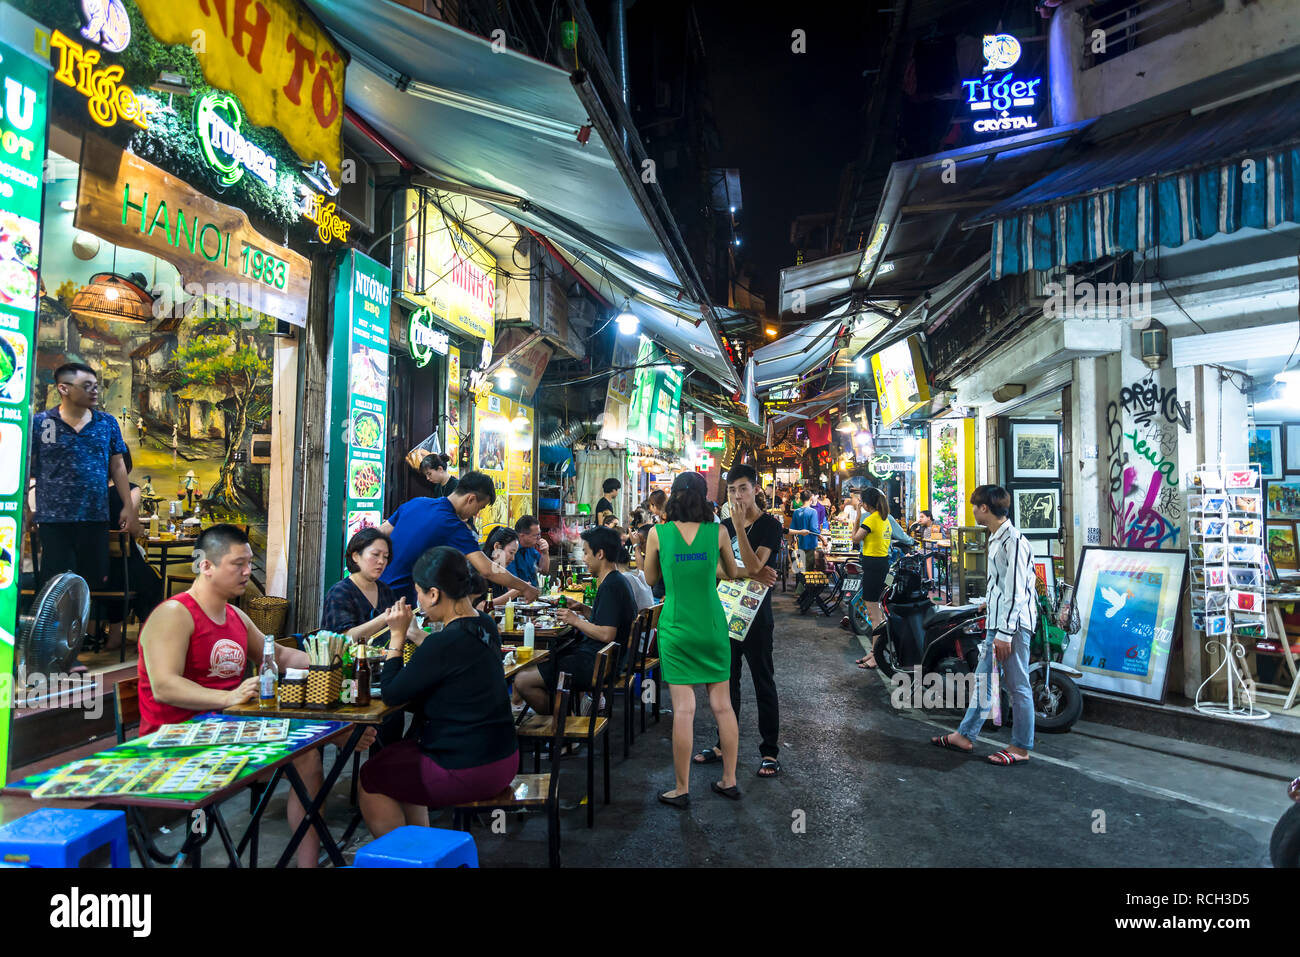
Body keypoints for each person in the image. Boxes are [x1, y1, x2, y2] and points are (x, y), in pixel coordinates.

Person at [136, 525, 359, 868]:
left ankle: (307, 864)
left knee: (311, 751)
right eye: (237, 564)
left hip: (228, 733)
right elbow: (165, 684)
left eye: (248, 563)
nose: (246, 572)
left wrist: (332, 658)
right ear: (205, 566)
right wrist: (226, 698)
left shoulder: (236, 616)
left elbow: (281, 658)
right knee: (307, 756)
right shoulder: (174, 614)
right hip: (177, 741)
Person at [360, 547, 519, 837]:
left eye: (419, 592)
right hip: (505, 756)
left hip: (469, 767)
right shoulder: (485, 625)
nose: (418, 599)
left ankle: (406, 857)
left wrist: (397, 636)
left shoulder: (443, 642)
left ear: (434, 594)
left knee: (371, 777)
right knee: (397, 761)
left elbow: (393, 694)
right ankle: (426, 849)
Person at [641, 471, 776, 807]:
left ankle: (682, 789)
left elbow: (650, 577)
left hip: (676, 628)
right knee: (723, 705)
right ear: (705, 498)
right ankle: (729, 780)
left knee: (684, 710)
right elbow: (731, 572)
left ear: (673, 497)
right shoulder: (718, 532)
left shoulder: (658, 534)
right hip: (714, 627)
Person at [931, 485, 1038, 766]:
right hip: (997, 622)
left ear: (985, 508)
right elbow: (1002, 586)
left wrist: (1005, 633)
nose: (973, 510)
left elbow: (1017, 592)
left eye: (974, 506)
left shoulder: (1012, 541)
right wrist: (988, 604)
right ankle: (965, 735)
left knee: (1018, 687)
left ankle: (1020, 747)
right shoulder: (997, 538)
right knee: (982, 681)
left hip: (1011, 628)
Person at [695, 464, 785, 778]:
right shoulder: (722, 526)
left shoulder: (770, 526)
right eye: (732, 490)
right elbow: (716, 570)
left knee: (763, 683)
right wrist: (752, 571)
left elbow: (750, 560)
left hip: (757, 619)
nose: (737, 495)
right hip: (725, 616)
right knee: (726, 684)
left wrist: (739, 529)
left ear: (756, 489)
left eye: (743, 488)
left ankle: (770, 751)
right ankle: (723, 744)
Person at [30, 363, 143, 592]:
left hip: (95, 519)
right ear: (64, 389)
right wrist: (25, 507)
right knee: (57, 588)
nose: (94, 391)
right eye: (86, 386)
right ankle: (56, 629)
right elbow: (28, 468)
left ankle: (86, 629)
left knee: (91, 586)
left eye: (95, 386)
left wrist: (128, 507)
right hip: (55, 521)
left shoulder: (107, 423)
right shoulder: (41, 423)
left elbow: (118, 465)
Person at [513, 526, 637, 714]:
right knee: (549, 660)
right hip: (603, 660)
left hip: (596, 665)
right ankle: (567, 715)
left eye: (586, 553)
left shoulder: (611, 586)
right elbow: (607, 620)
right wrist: (583, 609)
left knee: (522, 680)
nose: (584, 559)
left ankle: (563, 727)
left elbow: (607, 633)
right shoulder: (616, 581)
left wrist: (575, 620)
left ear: (600, 554)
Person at [378, 470, 539, 607]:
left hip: (376, 588)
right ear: (470, 499)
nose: (476, 513)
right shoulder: (454, 526)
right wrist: (524, 587)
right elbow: (487, 569)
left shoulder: (416, 503)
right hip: (399, 599)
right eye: (480, 507)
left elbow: (379, 532)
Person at [101, 449, 163, 652]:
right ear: (125, 465)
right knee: (152, 581)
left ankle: (114, 637)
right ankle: (145, 638)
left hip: (98, 566)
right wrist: (142, 529)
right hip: (124, 563)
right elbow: (130, 528)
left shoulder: (93, 490)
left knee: (117, 578)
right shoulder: (131, 490)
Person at [321, 528, 414, 643]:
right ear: (355, 556)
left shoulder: (385, 590)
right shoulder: (340, 592)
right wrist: (385, 617)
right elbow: (343, 640)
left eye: (385, 556)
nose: (381, 561)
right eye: (375, 554)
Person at [851, 487, 892, 670]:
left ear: (866, 504)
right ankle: (875, 652)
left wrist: (857, 515)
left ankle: (877, 658)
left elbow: (854, 539)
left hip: (873, 568)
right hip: (881, 565)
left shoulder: (871, 519)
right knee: (877, 613)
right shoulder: (885, 519)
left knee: (874, 614)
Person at [507, 514, 550, 587]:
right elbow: (511, 584)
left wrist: (545, 553)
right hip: (517, 595)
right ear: (522, 535)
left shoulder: (530, 549)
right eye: (535, 535)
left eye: (539, 534)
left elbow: (543, 571)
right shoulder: (510, 552)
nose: (539, 538)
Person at [482, 526, 521, 606]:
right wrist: (514, 592)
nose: (513, 558)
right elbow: (480, 607)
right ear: (497, 547)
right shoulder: (481, 571)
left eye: (514, 554)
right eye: (511, 552)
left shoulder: (499, 571)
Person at [788, 489, 823, 572]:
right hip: (810, 544)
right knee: (808, 570)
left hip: (800, 544)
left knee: (800, 569)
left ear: (800, 499)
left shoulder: (796, 512)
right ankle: (803, 584)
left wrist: (792, 541)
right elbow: (814, 529)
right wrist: (823, 539)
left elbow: (792, 529)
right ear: (811, 498)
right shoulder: (813, 512)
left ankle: (800, 583)